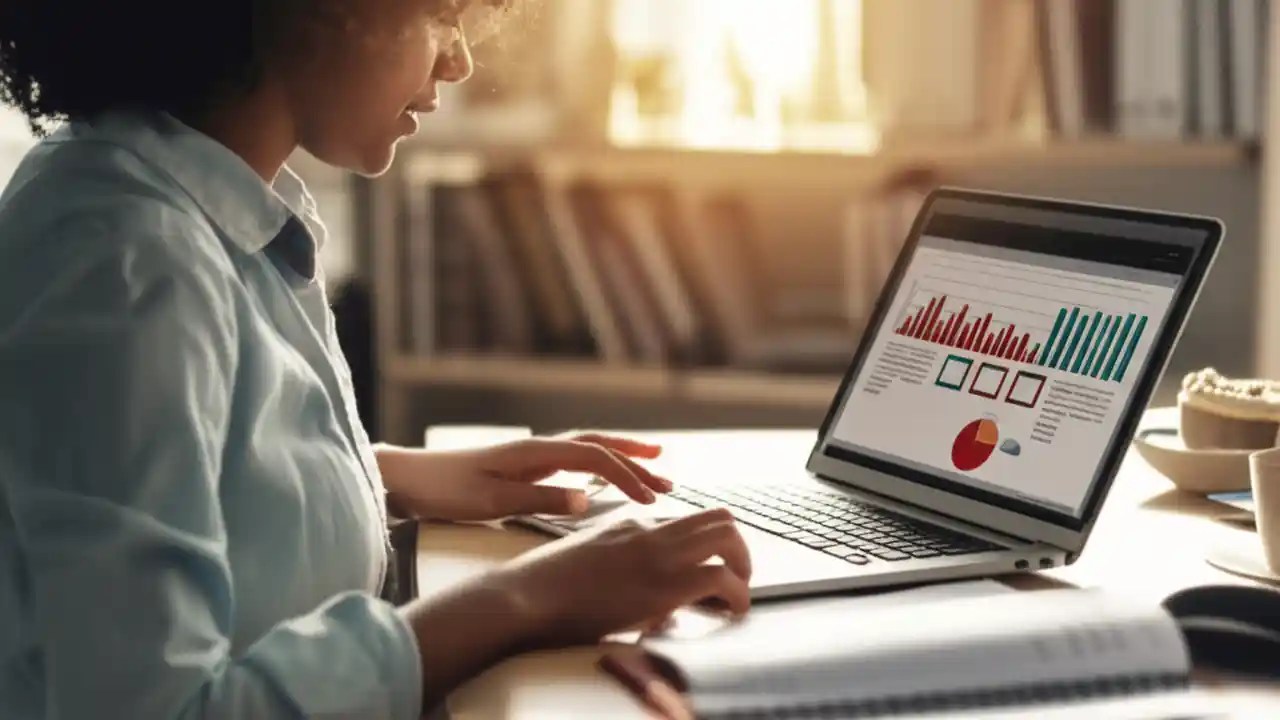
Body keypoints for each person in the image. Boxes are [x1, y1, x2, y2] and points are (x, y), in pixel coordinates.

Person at [0, 1, 752, 717]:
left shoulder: (174, 201)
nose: (459, 60)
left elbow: (181, 473)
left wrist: (380, 476)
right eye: (439, 15)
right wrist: (528, 600)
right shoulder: (125, 258)